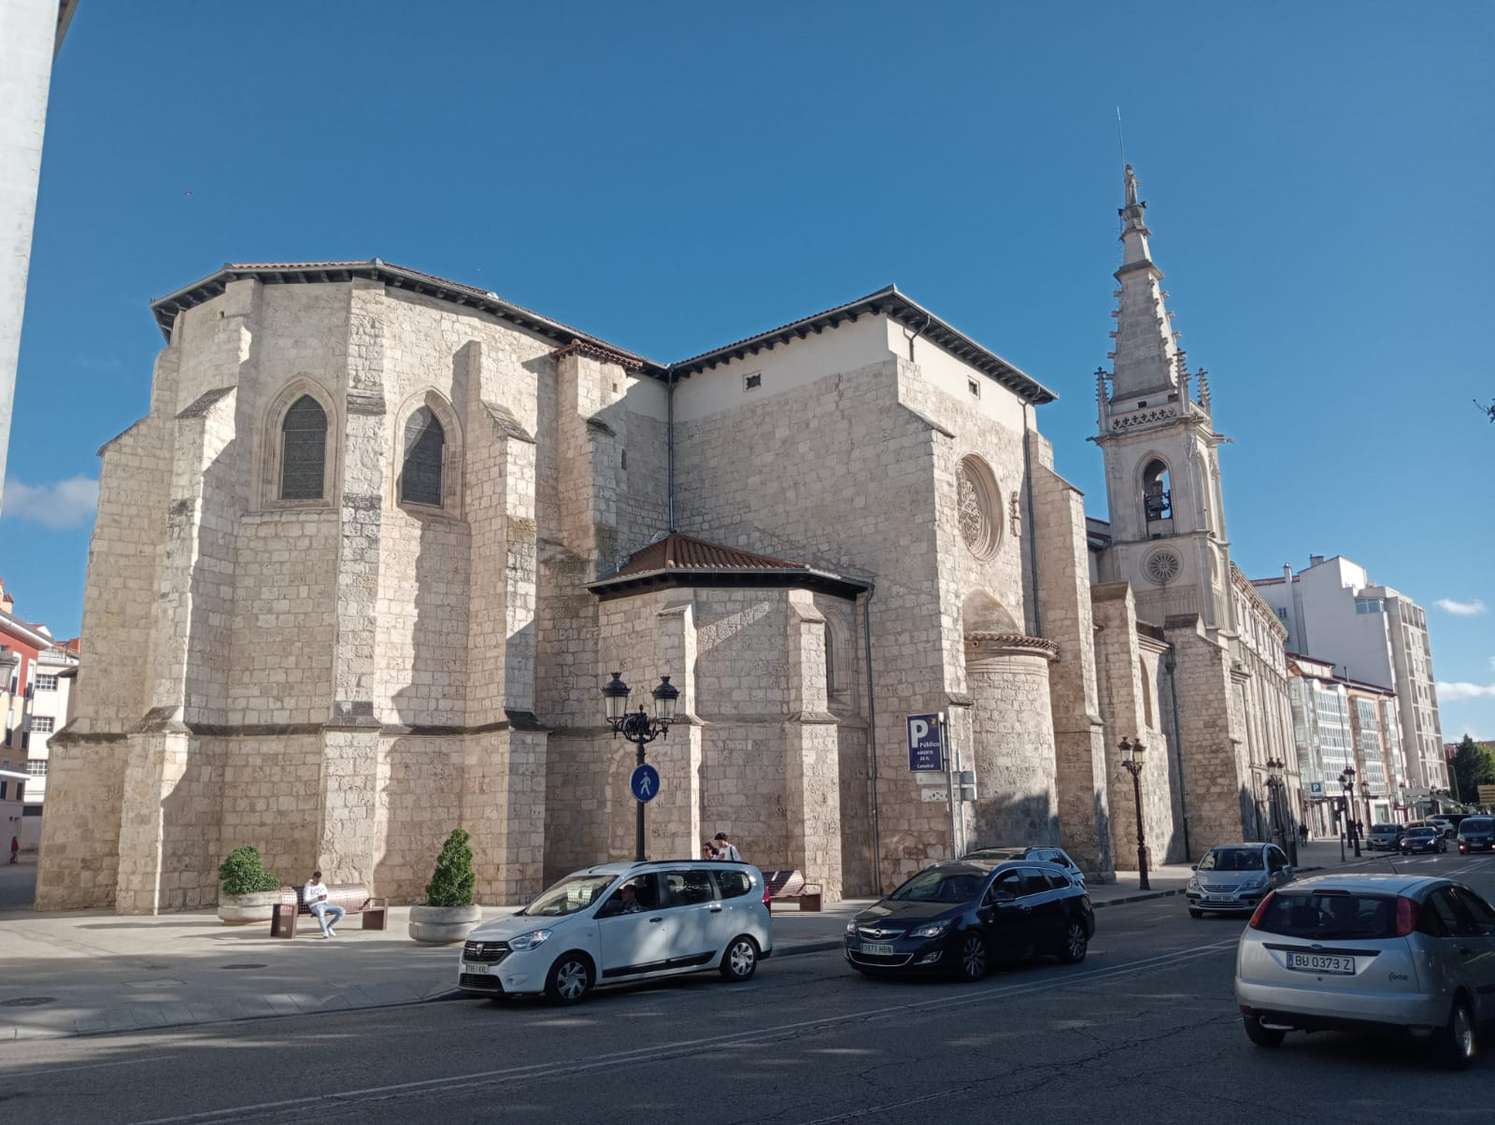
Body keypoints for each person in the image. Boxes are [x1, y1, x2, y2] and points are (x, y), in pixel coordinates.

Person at [303, 870, 344, 938]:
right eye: (316, 881)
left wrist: (325, 899)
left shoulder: (322, 885)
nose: (318, 882)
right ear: (313, 878)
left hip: (325, 904)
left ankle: (329, 926)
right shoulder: (308, 887)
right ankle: (325, 932)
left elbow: (327, 895)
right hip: (315, 905)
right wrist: (317, 899)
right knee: (320, 912)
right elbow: (305, 901)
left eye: (319, 881)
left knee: (341, 911)